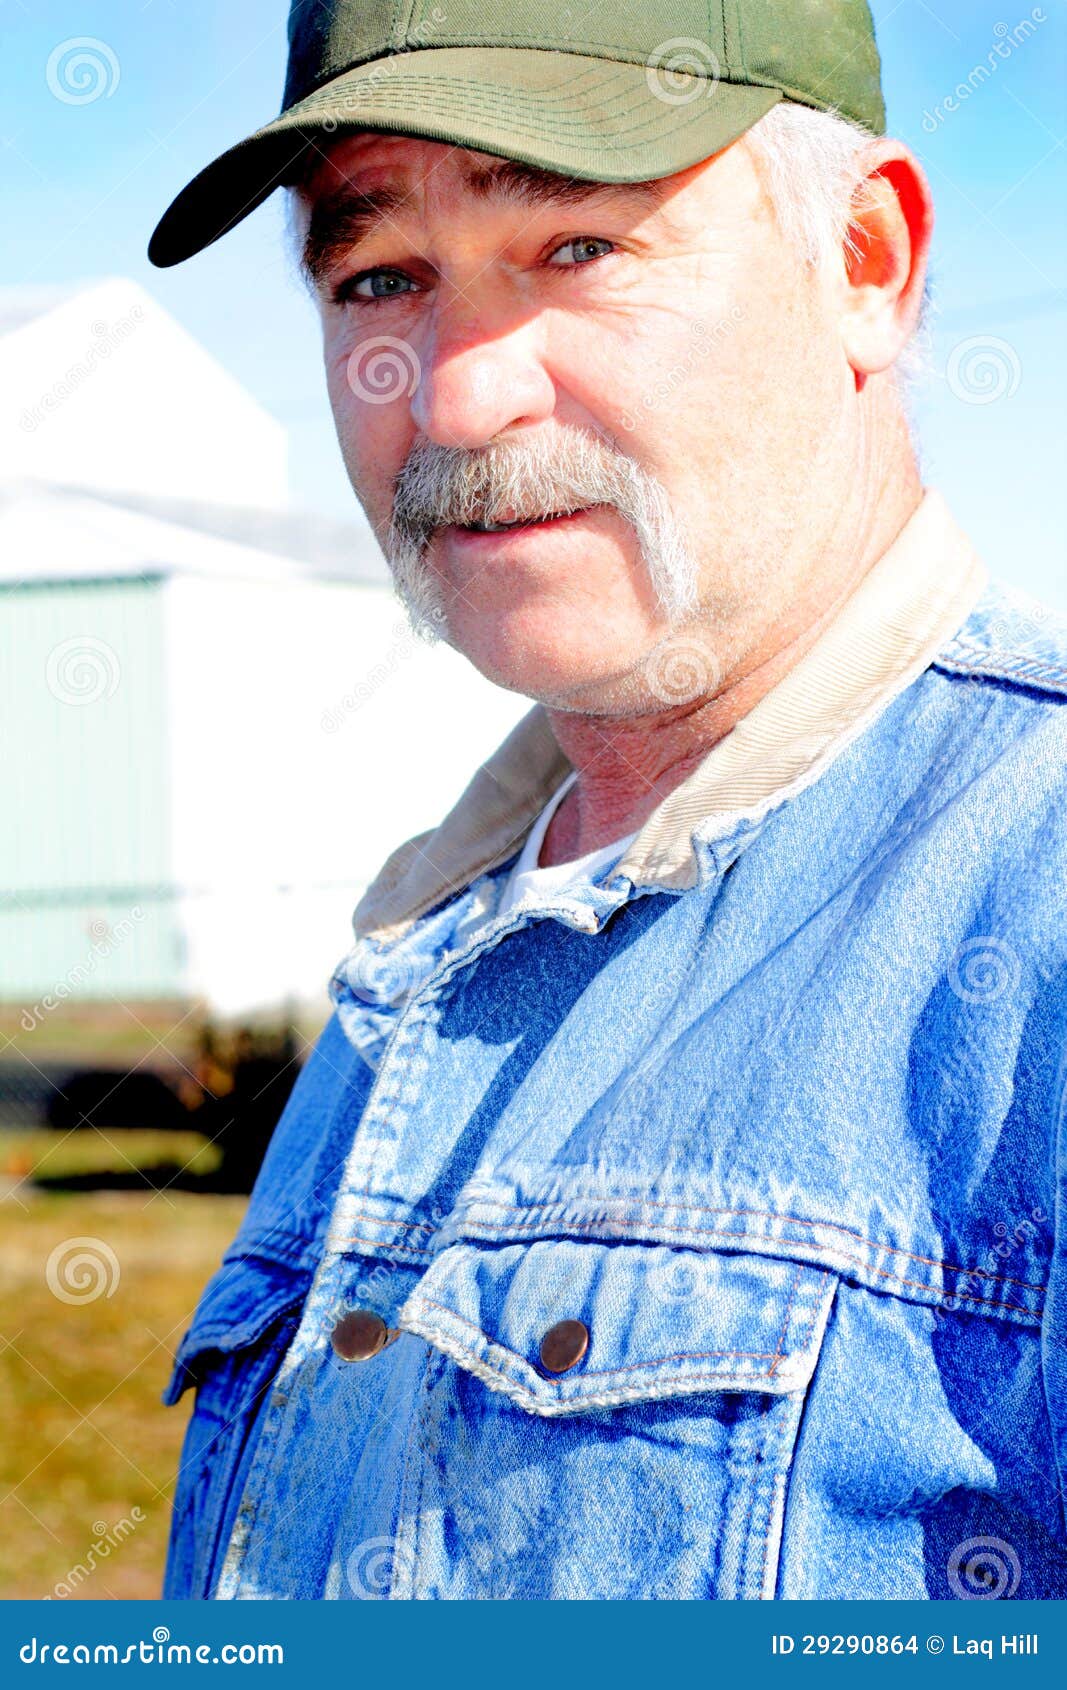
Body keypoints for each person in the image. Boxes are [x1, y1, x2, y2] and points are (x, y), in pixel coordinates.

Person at [148, 0, 1067, 1600]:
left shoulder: (1035, 910)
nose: (455, 401)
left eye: (575, 246)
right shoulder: (421, 960)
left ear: (865, 262)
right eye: (381, 278)